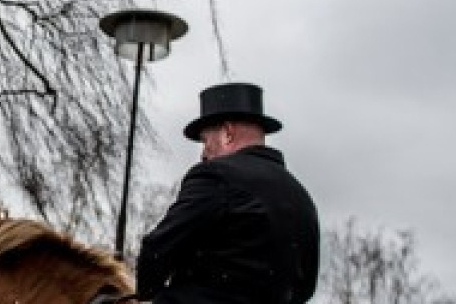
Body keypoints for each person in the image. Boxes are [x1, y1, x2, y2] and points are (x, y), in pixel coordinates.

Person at [135, 83, 320, 304]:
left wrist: (146, 296)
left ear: (227, 133)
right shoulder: (301, 195)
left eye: (205, 141)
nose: (203, 153)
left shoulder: (215, 175)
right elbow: (306, 285)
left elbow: (158, 248)